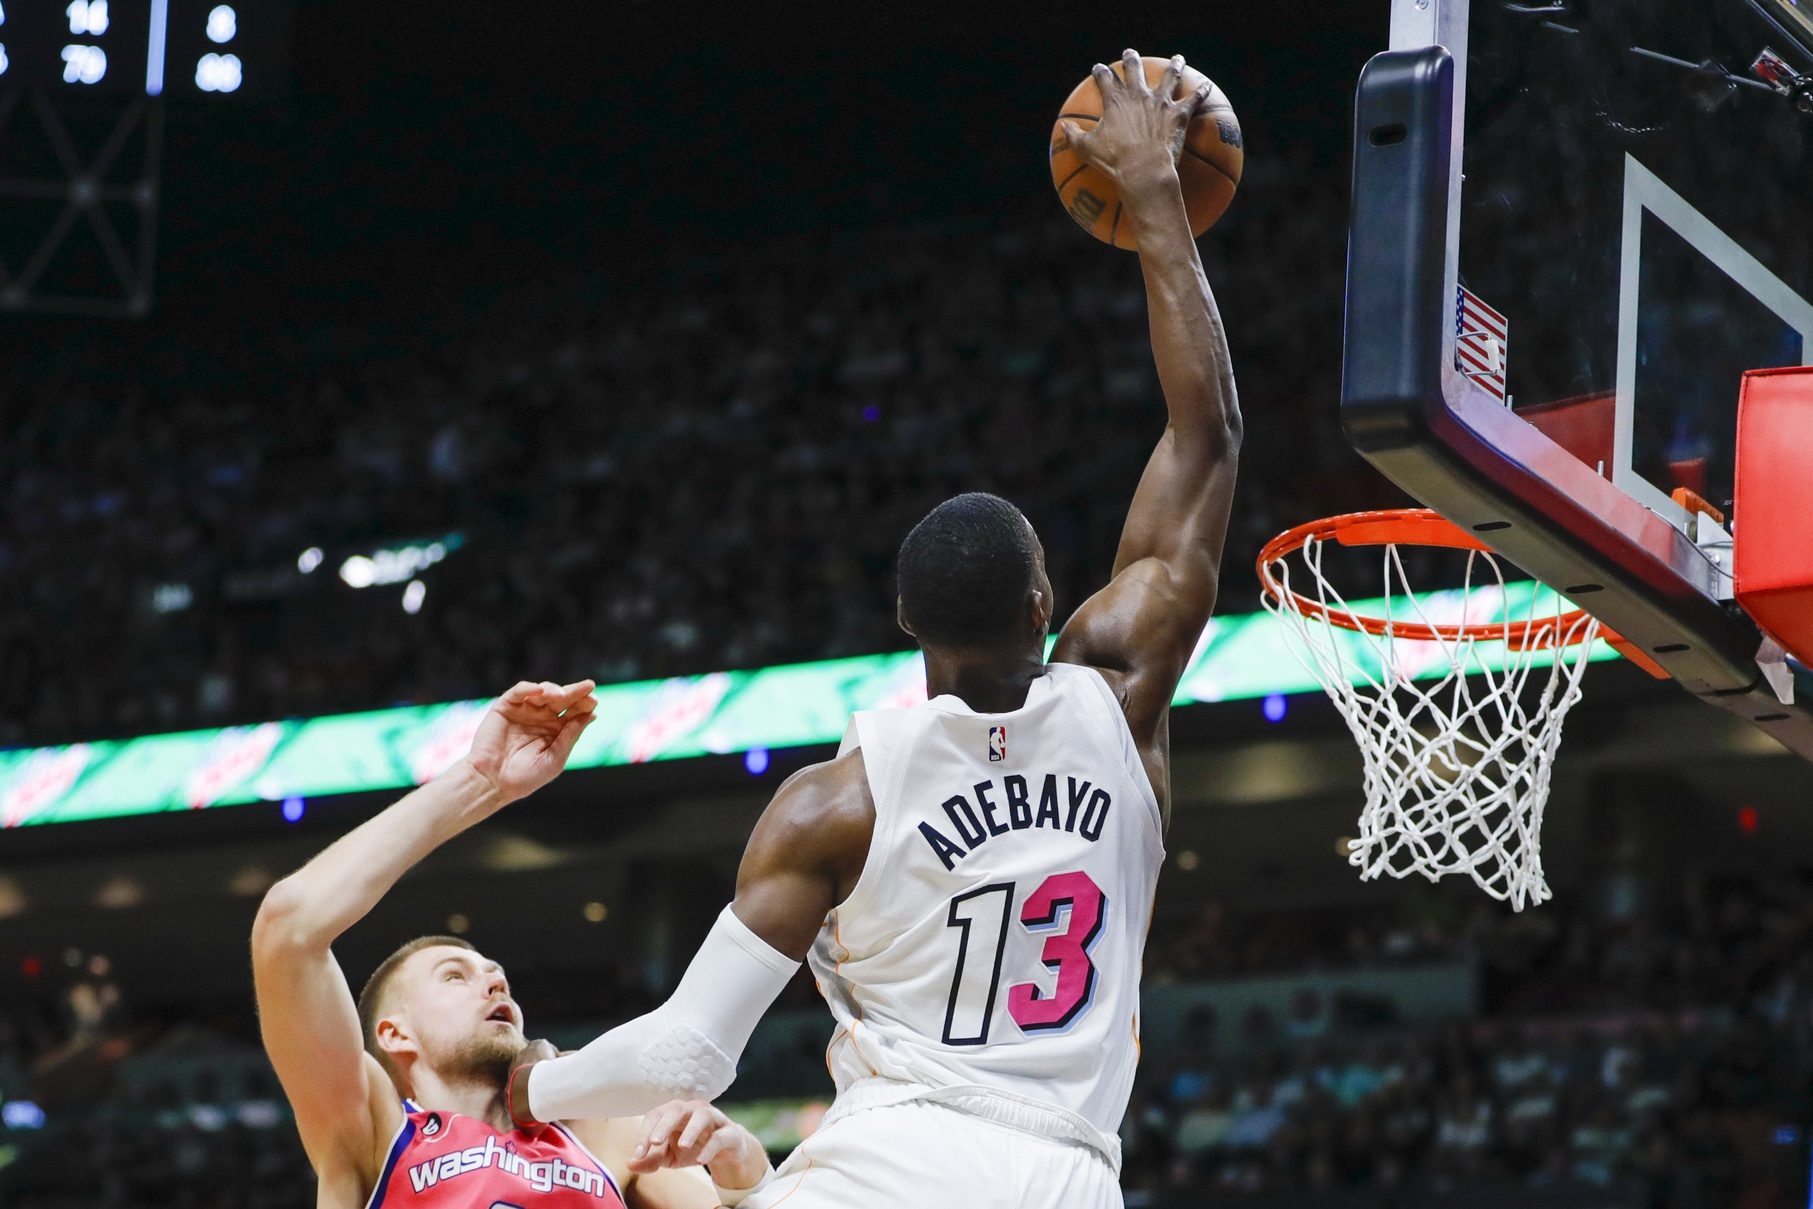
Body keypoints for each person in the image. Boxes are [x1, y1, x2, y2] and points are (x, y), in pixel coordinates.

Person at [510, 50, 1242, 1209]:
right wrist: (1159, 202)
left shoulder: (834, 801)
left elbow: (683, 1058)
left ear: (904, 623)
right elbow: (1206, 437)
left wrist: (533, 1090)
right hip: (1068, 1177)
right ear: (1047, 604)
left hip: (894, 1164)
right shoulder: (1120, 693)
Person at [251, 679, 773, 1208]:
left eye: (494, 973)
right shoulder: (372, 1128)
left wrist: (743, 1169)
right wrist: (480, 781)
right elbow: (288, 927)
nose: (494, 980)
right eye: (455, 975)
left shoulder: (602, 1132)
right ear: (393, 1033)